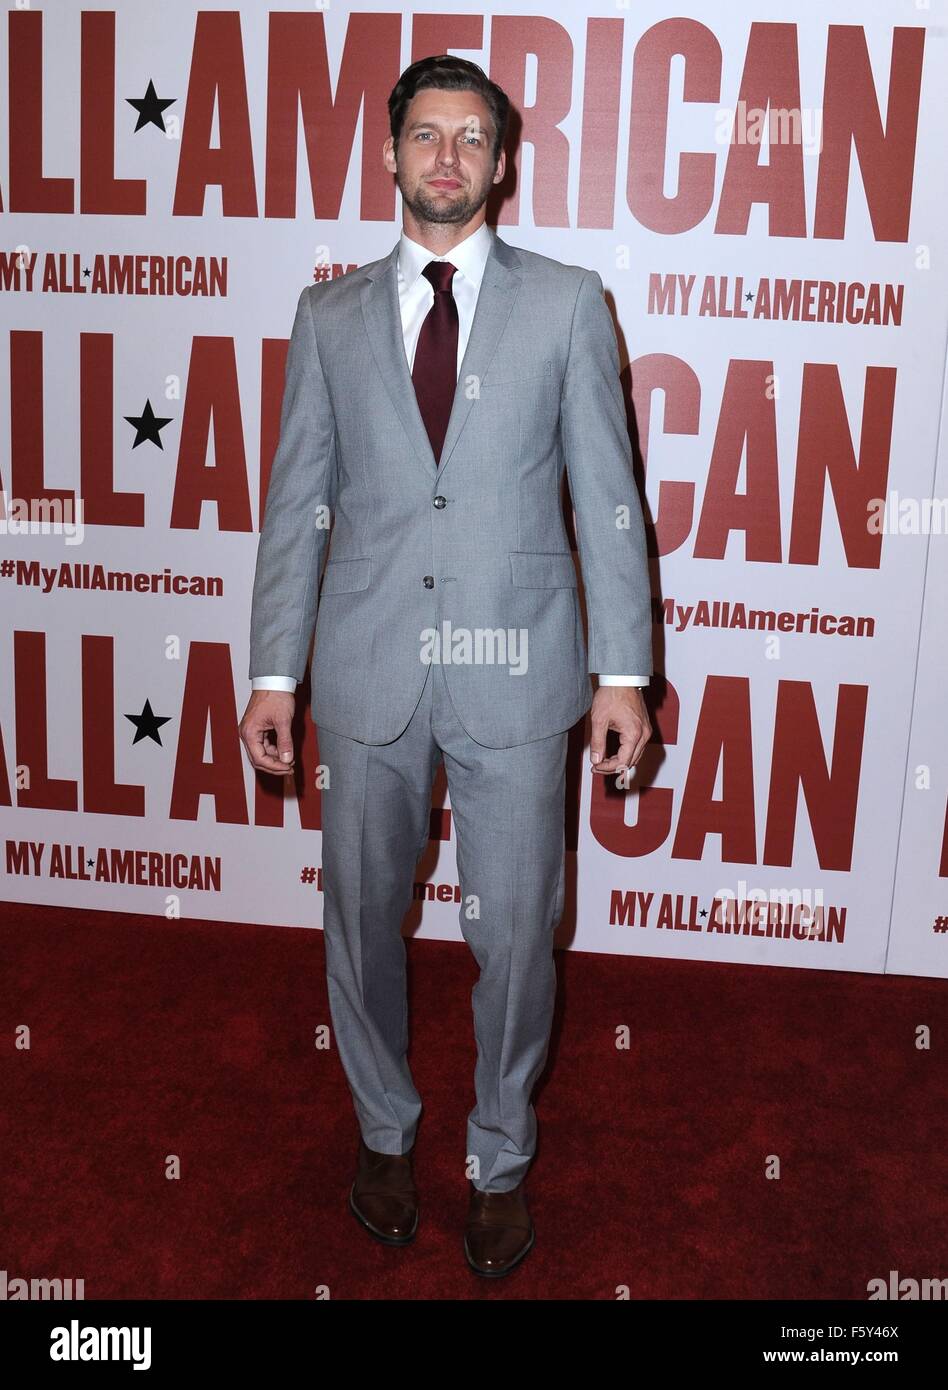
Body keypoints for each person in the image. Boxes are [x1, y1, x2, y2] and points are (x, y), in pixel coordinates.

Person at [239, 53, 652, 1278]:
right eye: (427, 135)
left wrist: (623, 671)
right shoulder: (327, 317)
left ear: (504, 162)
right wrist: (273, 673)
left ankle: (500, 1156)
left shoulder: (570, 305)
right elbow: (294, 501)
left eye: (474, 139)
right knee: (361, 925)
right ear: (389, 153)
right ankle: (382, 1129)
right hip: (367, 671)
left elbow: (607, 498)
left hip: (521, 673)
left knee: (519, 932)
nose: (448, 159)